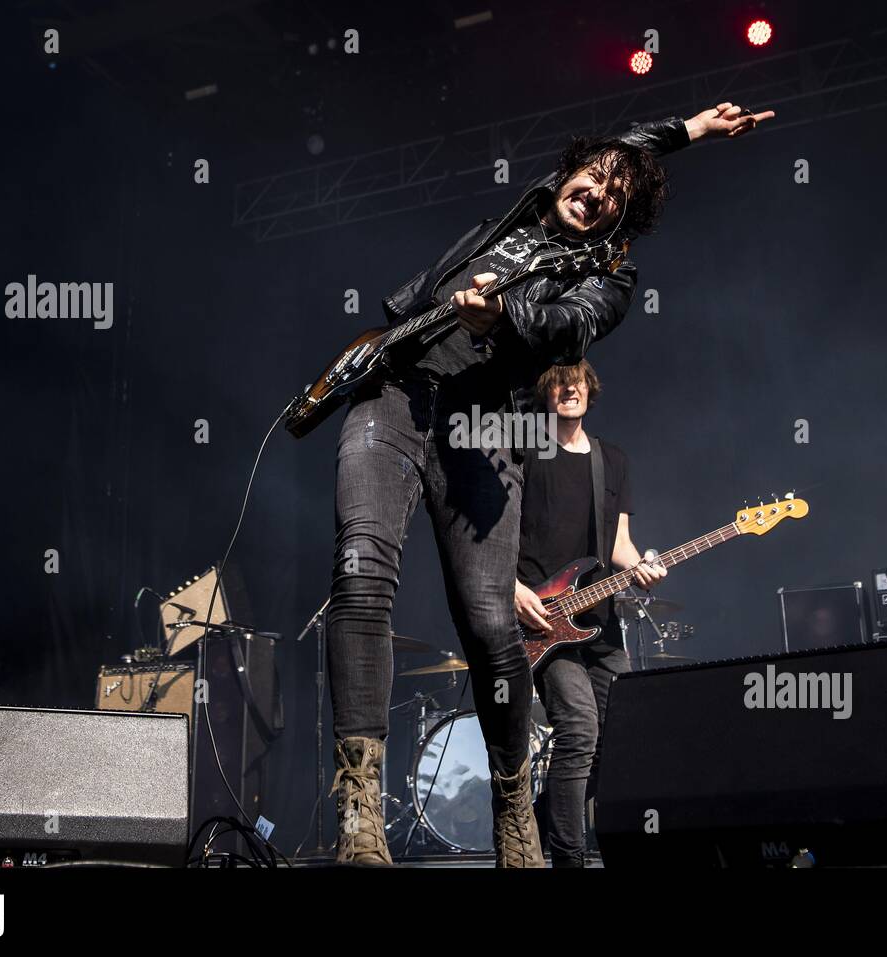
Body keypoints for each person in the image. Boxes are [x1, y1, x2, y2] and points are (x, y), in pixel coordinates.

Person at [325, 103, 773, 866]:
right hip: (395, 400)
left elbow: (566, 330)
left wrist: (503, 313)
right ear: (567, 174)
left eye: (614, 197)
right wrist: (692, 129)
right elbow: (622, 144)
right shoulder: (529, 208)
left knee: (494, 632)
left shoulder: (612, 277)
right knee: (360, 572)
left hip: (487, 430)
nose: (597, 191)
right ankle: (360, 810)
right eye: (592, 176)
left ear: (617, 223)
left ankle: (512, 808)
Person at [514, 359, 665, 867]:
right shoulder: (524, 452)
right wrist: (513, 588)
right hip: (543, 620)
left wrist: (642, 563)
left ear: (590, 389)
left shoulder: (612, 460)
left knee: (624, 736)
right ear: (545, 390)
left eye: (576, 379)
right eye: (558, 380)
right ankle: (569, 859)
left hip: (599, 621)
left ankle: (539, 818)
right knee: (579, 731)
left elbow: (618, 543)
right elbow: (490, 539)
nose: (569, 388)